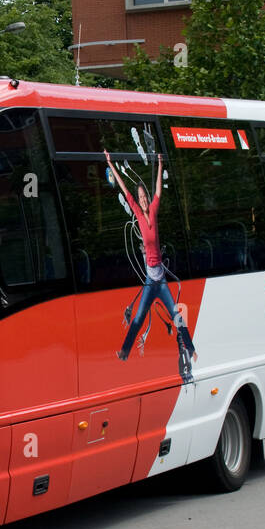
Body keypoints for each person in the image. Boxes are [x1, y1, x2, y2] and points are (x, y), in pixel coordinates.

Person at [105, 149, 197, 380]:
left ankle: (192, 350)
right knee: (138, 317)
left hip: (161, 280)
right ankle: (124, 352)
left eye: (144, 197)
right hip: (149, 280)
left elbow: (157, 190)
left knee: (176, 315)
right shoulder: (136, 211)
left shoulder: (153, 211)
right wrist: (110, 163)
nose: (144, 200)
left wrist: (160, 164)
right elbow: (126, 191)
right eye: (141, 198)